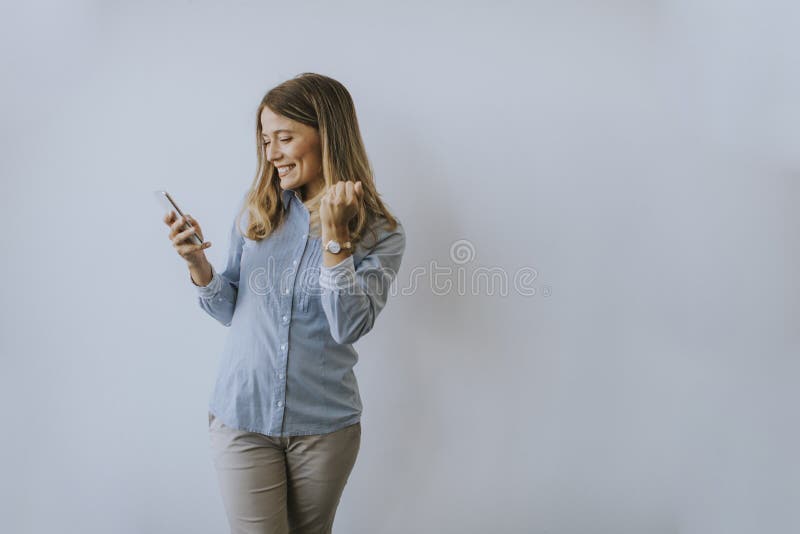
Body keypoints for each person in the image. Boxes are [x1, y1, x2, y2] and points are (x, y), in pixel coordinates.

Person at [162, 72, 406, 534]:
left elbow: (348, 325)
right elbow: (229, 308)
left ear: (327, 135)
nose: (271, 153)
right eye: (265, 140)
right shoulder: (257, 207)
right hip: (243, 419)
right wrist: (198, 264)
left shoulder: (380, 232)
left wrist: (336, 237)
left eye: (284, 138)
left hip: (324, 430)